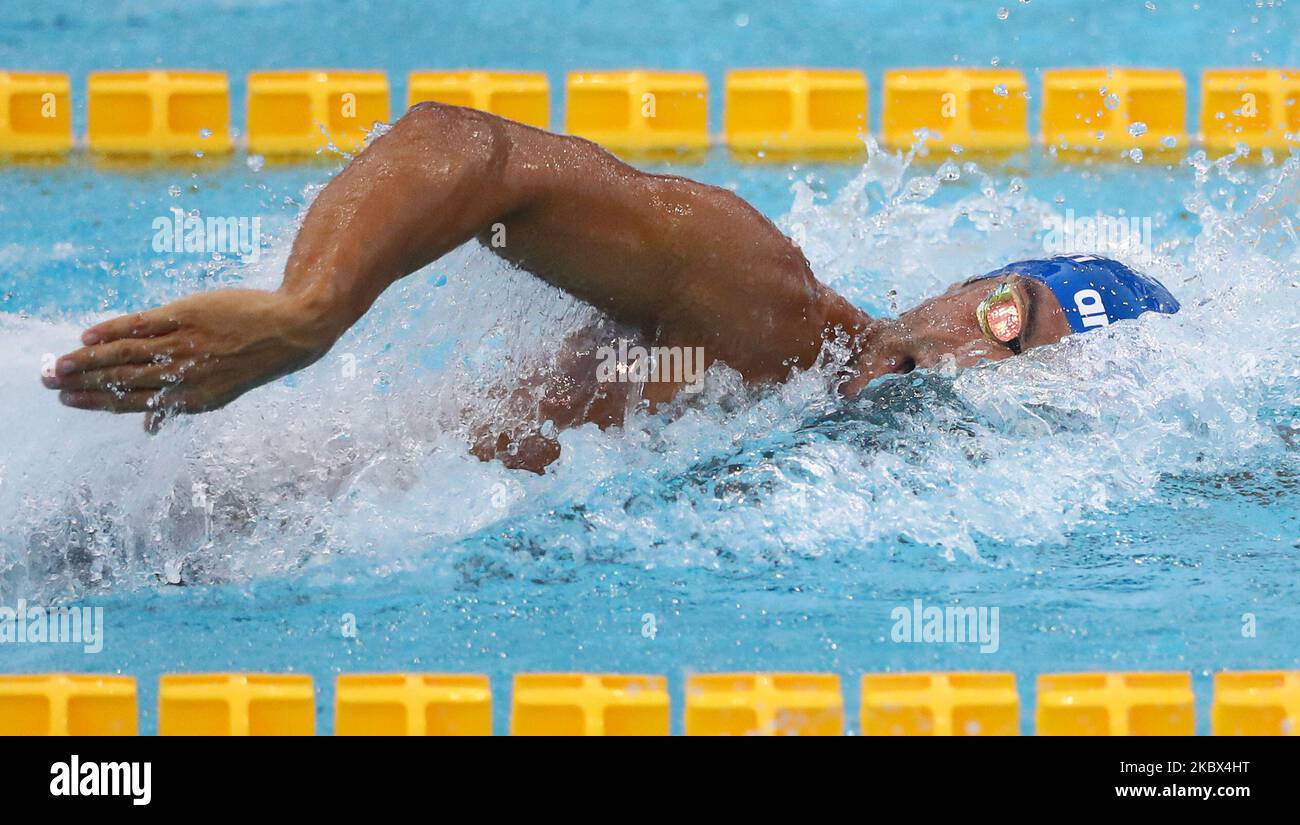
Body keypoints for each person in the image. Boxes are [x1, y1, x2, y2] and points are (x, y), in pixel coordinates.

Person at [41, 102, 1180, 473]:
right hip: (126, 453)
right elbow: (468, 149)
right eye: (1001, 317)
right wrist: (311, 313)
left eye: (1022, 369)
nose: (974, 359)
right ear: (958, 290)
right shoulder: (768, 312)